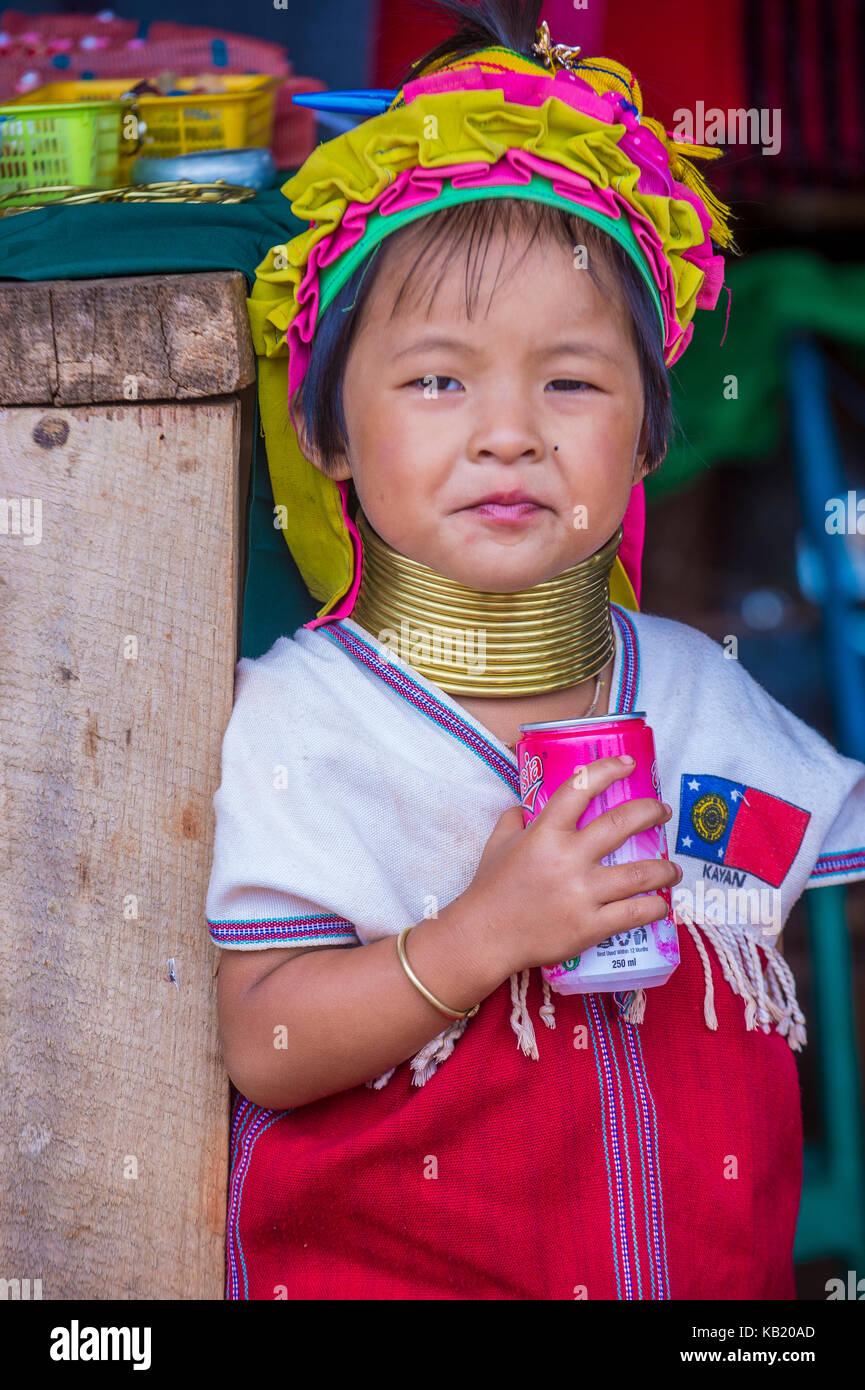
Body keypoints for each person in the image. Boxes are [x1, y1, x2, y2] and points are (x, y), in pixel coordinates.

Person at [206, 0, 865, 1300]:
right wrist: (476, 935)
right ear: (327, 434)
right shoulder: (302, 723)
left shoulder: (688, 689)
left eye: (568, 382)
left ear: (645, 439)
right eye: (437, 380)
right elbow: (264, 1043)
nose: (508, 430)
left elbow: (818, 847)